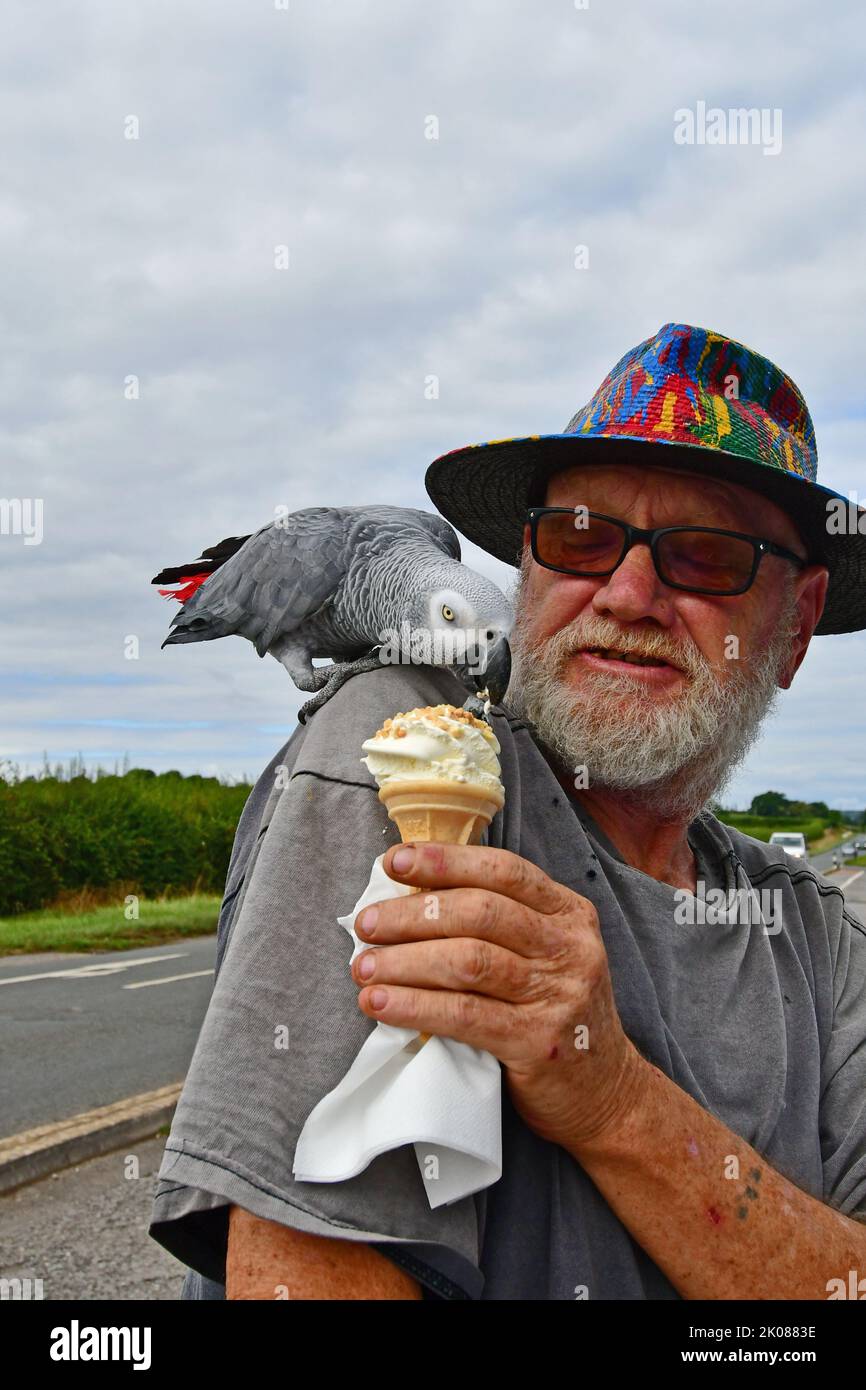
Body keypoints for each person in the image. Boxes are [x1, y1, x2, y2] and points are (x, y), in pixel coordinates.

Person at [149, 322, 866, 1299]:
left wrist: (613, 1099)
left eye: (701, 555)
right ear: (526, 570)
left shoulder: (817, 939)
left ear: (791, 628)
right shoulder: (415, 748)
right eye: (578, 535)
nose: (625, 592)